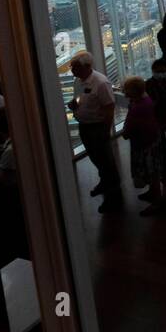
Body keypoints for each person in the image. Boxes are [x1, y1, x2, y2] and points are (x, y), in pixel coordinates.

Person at [69, 51, 121, 212]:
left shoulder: (100, 83)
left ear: (87, 66)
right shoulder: (78, 81)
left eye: (75, 67)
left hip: (98, 127)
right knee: (96, 158)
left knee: (106, 161)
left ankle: (113, 196)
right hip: (85, 126)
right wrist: (75, 105)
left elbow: (109, 107)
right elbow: (80, 98)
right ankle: (104, 182)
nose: (72, 71)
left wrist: (105, 131)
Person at [120, 76, 163, 216]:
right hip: (151, 140)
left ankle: (157, 202)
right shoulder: (145, 101)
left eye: (127, 90)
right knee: (153, 171)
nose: (125, 93)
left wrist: (125, 132)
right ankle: (153, 193)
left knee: (151, 172)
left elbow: (129, 129)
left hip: (144, 144)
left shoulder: (138, 107)